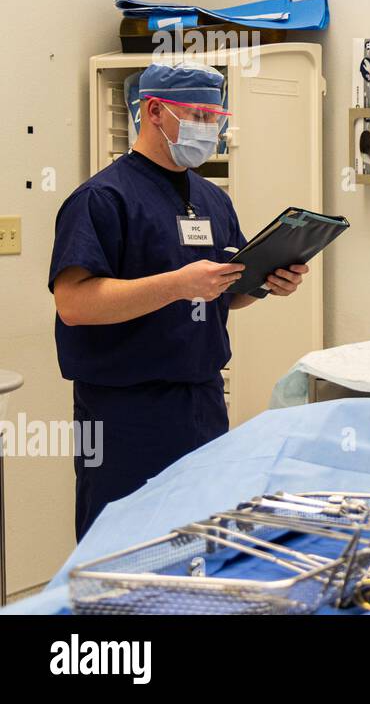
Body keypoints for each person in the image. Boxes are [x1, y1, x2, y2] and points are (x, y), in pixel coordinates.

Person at [49, 63, 309, 539]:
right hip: (123, 413)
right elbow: (74, 304)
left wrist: (266, 283)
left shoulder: (212, 199)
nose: (211, 130)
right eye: (199, 116)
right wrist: (177, 284)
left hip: (202, 401)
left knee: (202, 540)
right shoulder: (102, 199)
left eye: (217, 118)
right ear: (154, 111)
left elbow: (224, 296)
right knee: (122, 550)